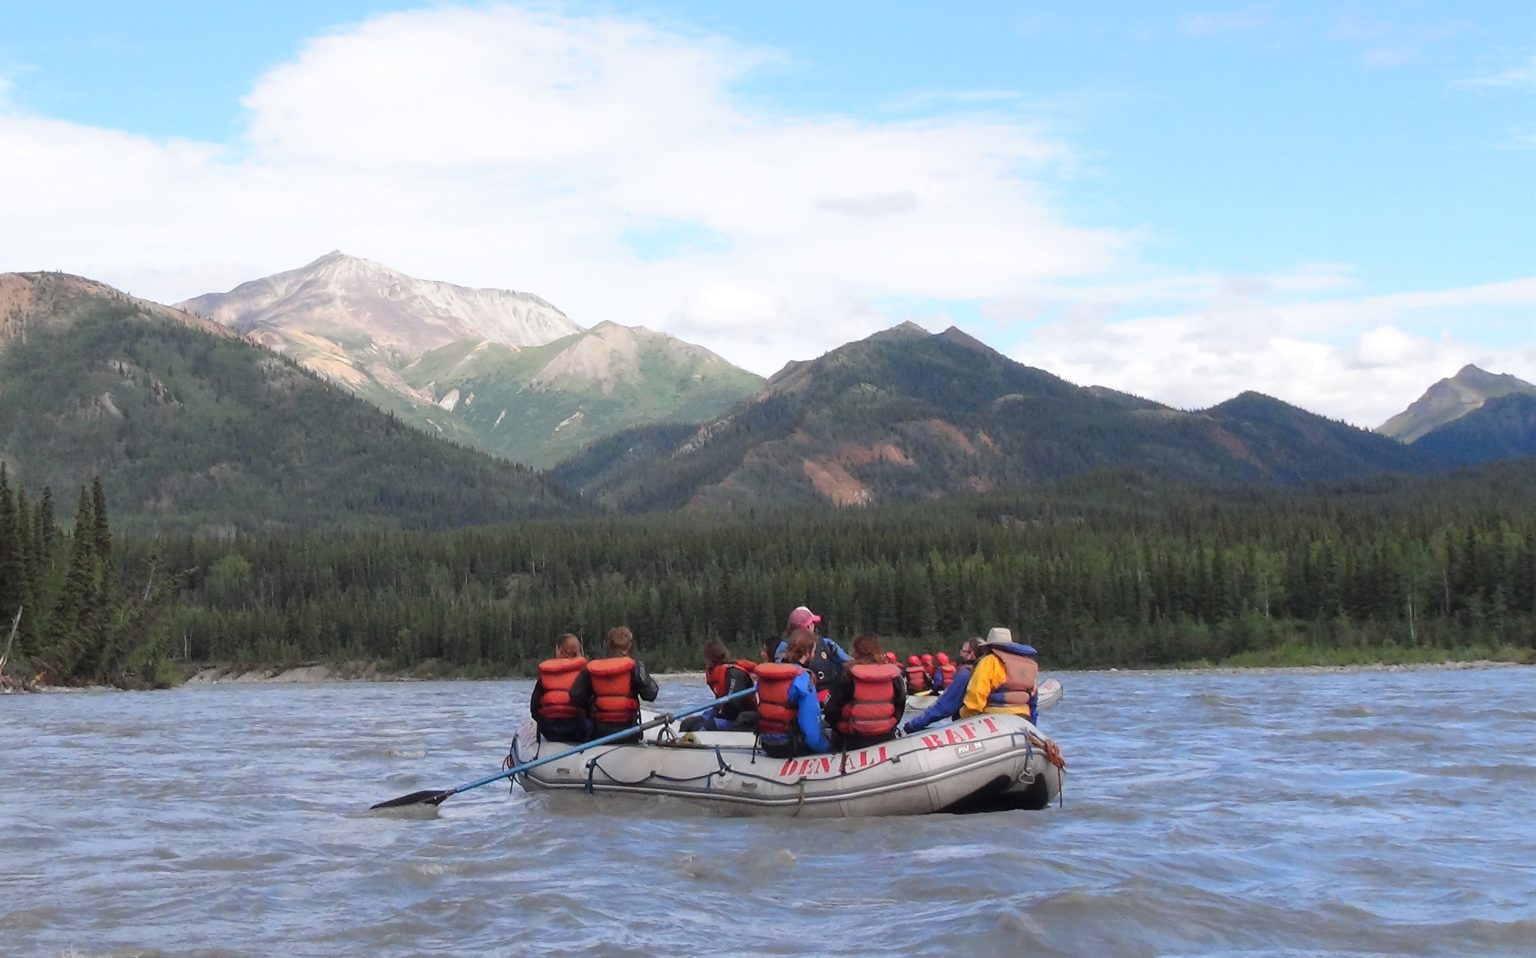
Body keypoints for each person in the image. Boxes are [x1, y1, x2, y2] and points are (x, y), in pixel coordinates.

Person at [754, 629, 832, 758]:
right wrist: (828, 747)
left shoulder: (768, 675)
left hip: (767, 744)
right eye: (813, 651)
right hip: (791, 746)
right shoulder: (803, 679)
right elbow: (811, 733)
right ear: (808, 652)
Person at [822, 633, 906, 750]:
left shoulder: (846, 675)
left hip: (852, 740)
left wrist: (837, 728)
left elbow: (831, 712)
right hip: (885, 736)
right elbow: (900, 705)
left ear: (855, 651)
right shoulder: (894, 677)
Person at [585, 626, 660, 742]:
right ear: (629, 645)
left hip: (599, 733)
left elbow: (576, 696)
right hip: (628, 732)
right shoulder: (636, 667)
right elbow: (651, 695)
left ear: (608, 645)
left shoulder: (591, 669)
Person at [959, 627, 1039, 723]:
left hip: (995, 717)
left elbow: (976, 694)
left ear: (988, 646)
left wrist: (963, 714)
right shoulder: (1028, 663)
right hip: (1023, 717)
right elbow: (1034, 697)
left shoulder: (989, 661)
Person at [772, 605, 850, 702]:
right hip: (827, 697)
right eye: (812, 623)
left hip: (795, 699)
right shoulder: (827, 644)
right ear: (809, 626)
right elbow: (849, 662)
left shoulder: (782, 648)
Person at [902, 638, 980, 734]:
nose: (960, 653)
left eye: (963, 651)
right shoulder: (983, 669)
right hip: (985, 722)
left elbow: (944, 707)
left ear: (971, 654)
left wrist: (913, 724)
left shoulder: (965, 674)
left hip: (968, 723)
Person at [680, 641, 758, 732]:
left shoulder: (734, 673)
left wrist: (716, 716)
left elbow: (734, 706)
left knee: (700, 726)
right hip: (724, 714)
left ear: (711, 657)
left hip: (737, 719)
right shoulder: (717, 672)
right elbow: (720, 703)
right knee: (687, 724)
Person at [529, 633, 591, 742]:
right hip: (576, 729)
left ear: (559, 650)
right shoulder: (585, 673)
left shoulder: (546, 674)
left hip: (549, 729)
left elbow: (534, 707)